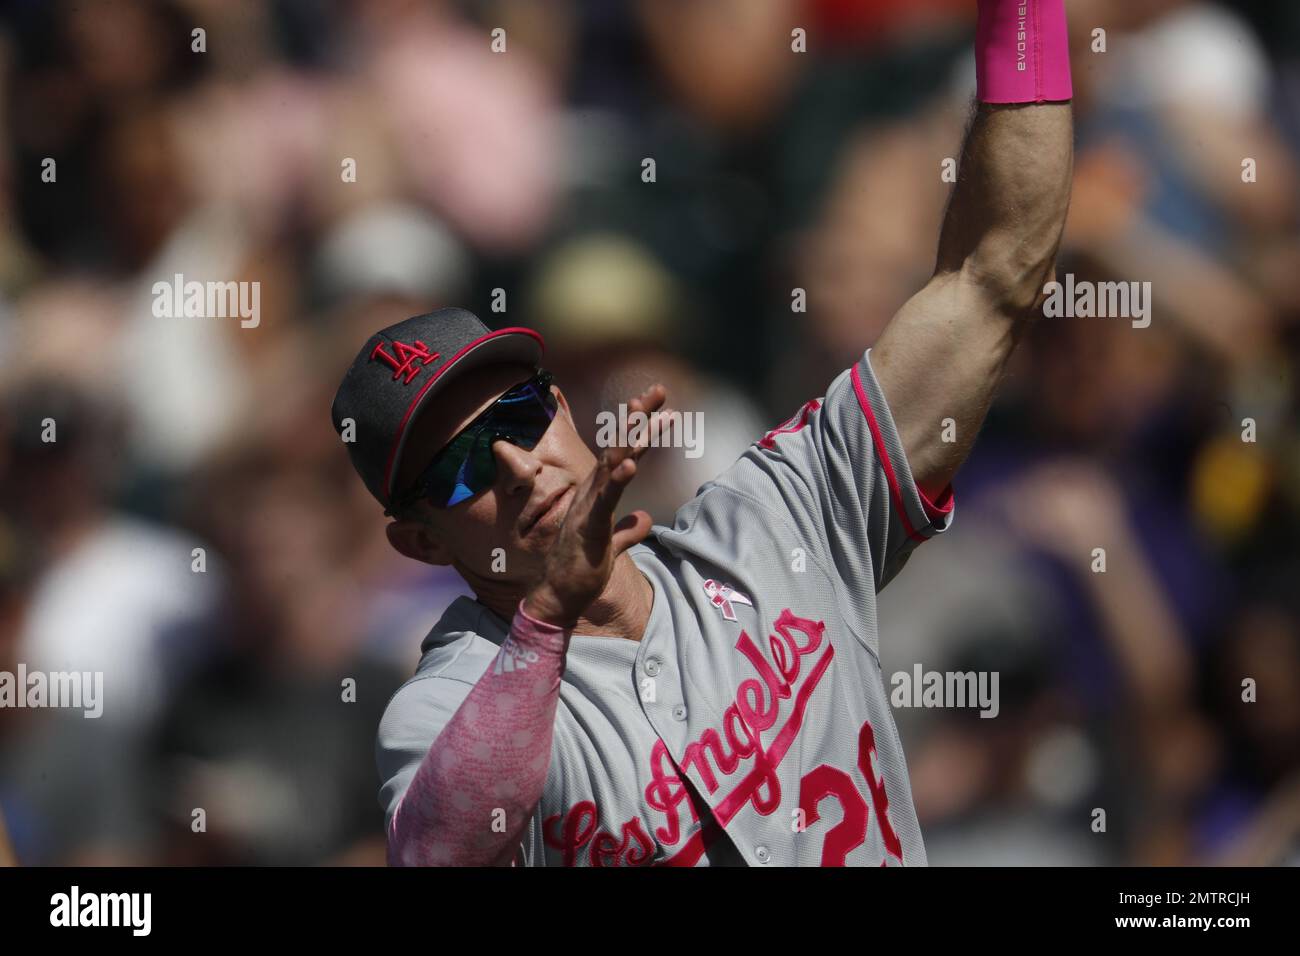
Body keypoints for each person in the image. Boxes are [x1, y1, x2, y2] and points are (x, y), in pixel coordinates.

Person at [330, 0, 1075, 866]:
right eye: (459, 469)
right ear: (418, 541)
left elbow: (992, 275)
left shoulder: (777, 522)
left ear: (564, 410)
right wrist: (544, 624)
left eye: (523, 416)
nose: (518, 465)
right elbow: (438, 856)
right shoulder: (444, 704)